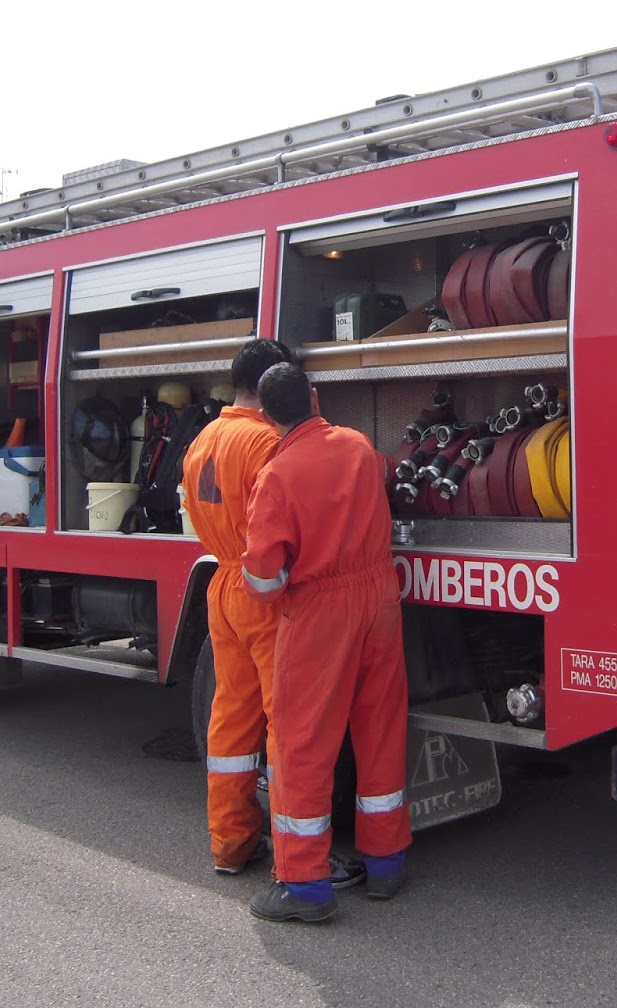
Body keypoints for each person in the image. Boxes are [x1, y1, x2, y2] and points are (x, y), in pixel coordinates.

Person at [181, 339, 364, 892]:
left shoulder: (203, 441)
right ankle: (298, 860)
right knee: (289, 731)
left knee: (231, 721)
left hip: (223, 587)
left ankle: (231, 843)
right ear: (271, 384)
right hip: (266, 597)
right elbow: (284, 522)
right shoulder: (267, 443)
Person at [241, 362, 412, 923]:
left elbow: (264, 581)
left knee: (301, 744)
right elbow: (387, 476)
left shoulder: (277, 475)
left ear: (266, 416)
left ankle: (304, 886)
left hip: (319, 613)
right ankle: (386, 862)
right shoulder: (360, 447)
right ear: (314, 398)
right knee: (380, 728)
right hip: (379, 598)